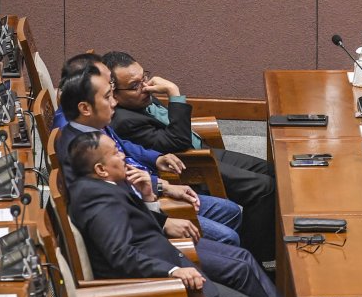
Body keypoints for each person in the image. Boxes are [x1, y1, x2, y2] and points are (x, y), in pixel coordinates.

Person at [68, 132, 281, 297]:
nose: (124, 156)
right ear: (100, 169)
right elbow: (122, 255)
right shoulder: (99, 202)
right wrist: (172, 272)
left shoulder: (103, 188)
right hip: (155, 287)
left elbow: (136, 226)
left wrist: (148, 197)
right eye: (117, 153)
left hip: (173, 267)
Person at [104, 50, 276, 262]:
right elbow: (177, 143)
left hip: (202, 150)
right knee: (264, 189)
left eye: (144, 78)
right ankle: (258, 257)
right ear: (114, 93)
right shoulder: (124, 119)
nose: (145, 87)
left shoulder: (139, 96)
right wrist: (174, 93)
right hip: (192, 164)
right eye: (134, 85)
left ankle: (272, 248)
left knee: (274, 172)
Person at [53, 59, 244, 248]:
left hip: (148, 187)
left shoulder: (91, 123)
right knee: (229, 240)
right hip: (143, 213)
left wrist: (157, 162)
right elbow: (115, 203)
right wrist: (159, 207)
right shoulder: (77, 145)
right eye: (108, 91)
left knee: (231, 211)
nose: (114, 101)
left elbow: (124, 147)